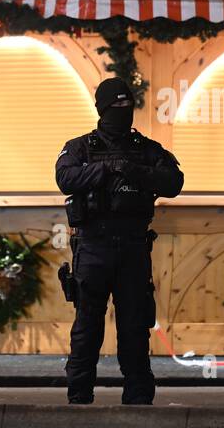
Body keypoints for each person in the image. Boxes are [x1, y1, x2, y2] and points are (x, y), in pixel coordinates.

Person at [55, 77, 184, 405]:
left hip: (133, 249)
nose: (123, 112)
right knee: (87, 327)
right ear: (101, 108)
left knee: (135, 327)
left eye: (128, 106)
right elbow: (64, 177)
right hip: (93, 247)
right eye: (117, 106)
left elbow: (173, 181)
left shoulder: (146, 149)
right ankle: (79, 397)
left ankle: (139, 399)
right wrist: (105, 169)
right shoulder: (80, 147)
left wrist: (133, 170)